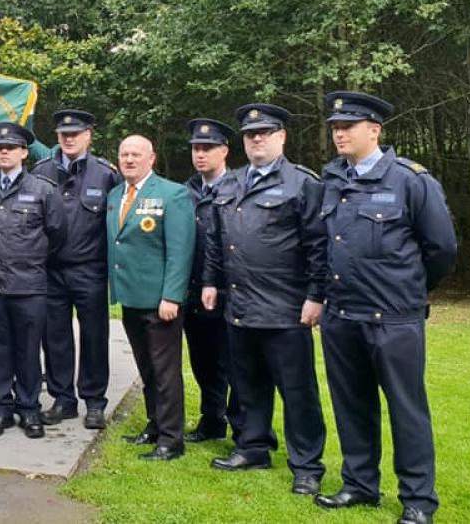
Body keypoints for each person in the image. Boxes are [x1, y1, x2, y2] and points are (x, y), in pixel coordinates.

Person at [314, 92, 457, 524]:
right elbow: (326, 245)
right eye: (336, 127)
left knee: (406, 408)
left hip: (393, 318)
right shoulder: (333, 178)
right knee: (351, 404)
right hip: (342, 315)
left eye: (349, 126)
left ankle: (417, 500)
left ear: (374, 130)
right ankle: (360, 485)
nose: (339, 133)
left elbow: (442, 248)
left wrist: (409, 289)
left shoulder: (410, 180)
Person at [202, 104, 327, 495]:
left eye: (266, 132)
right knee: (248, 385)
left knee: (298, 392)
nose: (257, 138)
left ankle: (306, 465)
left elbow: (319, 246)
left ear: (282, 137)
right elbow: (215, 240)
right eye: (251, 134)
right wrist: (210, 281)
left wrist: (316, 295)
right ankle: (253, 446)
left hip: (285, 309)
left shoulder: (302, 183)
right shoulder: (230, 183)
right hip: (239, 306)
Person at [0, 122, 65, 439]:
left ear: (24, 152)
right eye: (0, 147)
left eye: (11, 147)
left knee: (27, 350)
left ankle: (29, 409)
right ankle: (1, 409)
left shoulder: (43, 190)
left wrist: (29, 259)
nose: (5, 152)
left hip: (28, 285)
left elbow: (57, 235)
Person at [31, 109, 120, 430]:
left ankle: (94, 401)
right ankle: (63, 399)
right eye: (64, 134)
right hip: (51, 270)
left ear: (88, 135)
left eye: (76, 134)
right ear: (57, 137)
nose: (69, 139)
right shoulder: (40, 172)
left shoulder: (106, 174)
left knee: (95, 336)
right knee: (54, 337)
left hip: (89, 269)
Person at [108, 135, 195, 460]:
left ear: (151, 158)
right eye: (124, 154)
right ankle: (155, 424)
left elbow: (180, 250)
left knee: (165, 371)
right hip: (131, 298)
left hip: (161, 302)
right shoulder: (116, 195)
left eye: (135, 154)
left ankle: (172, 439)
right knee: (146, 368)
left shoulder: (173, 194)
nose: (129, 159)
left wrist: (172, 296)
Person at [183, 118, 242, 442]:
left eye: (207, 148)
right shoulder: (186, 190)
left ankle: (243, 429)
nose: (200, 154)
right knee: (203, 361)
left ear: (224, 151)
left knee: (235, 364)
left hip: (228, 291)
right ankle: (211, 419)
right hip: (194, 291)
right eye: (196, 148)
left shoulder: (238, 187)